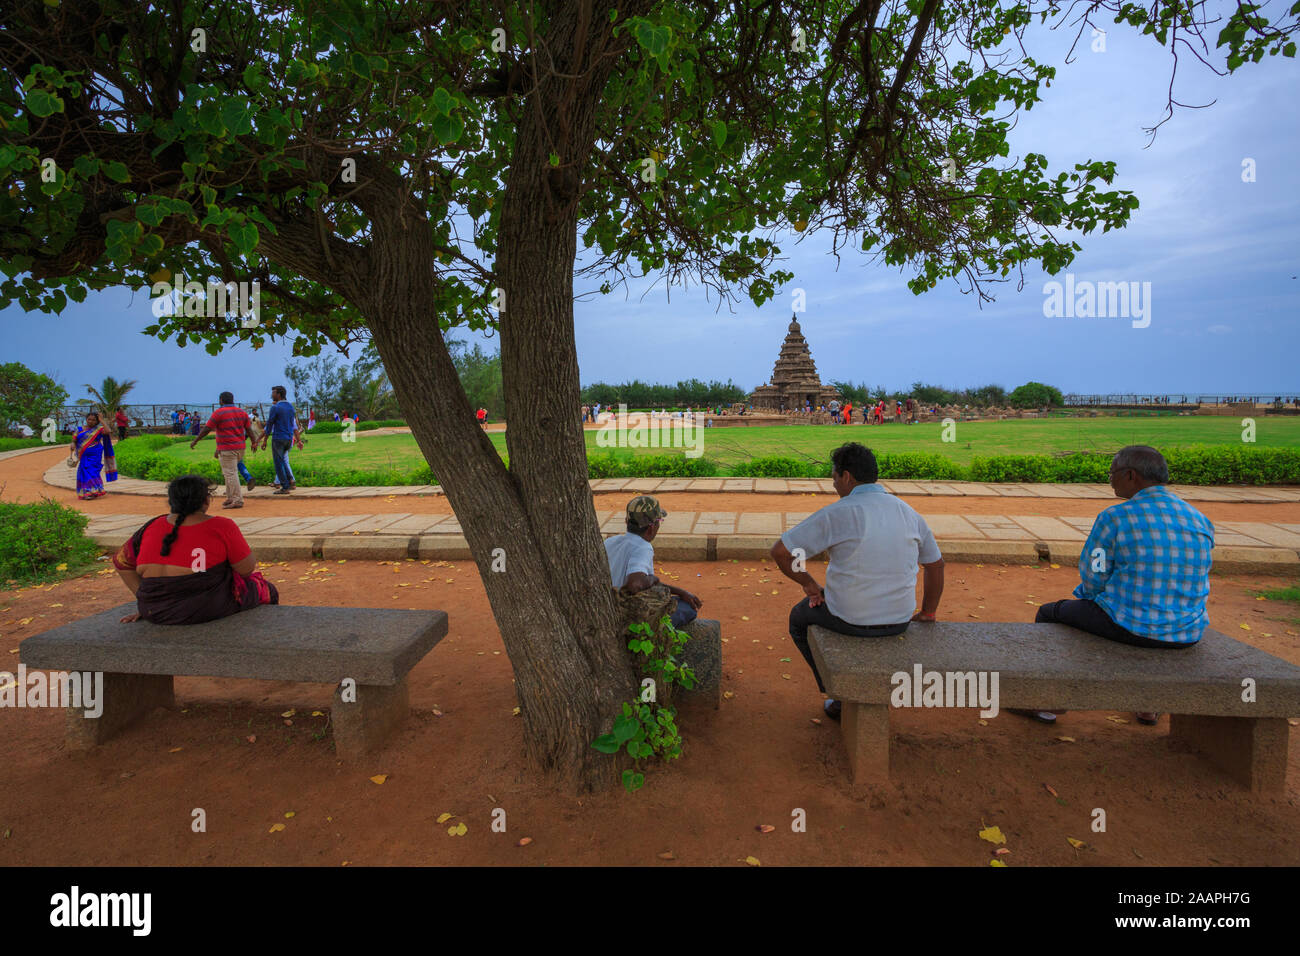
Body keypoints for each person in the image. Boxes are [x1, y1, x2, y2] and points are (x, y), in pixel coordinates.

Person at [1023, 446, 1213, 726]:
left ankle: (1047, 701)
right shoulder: (1198, 518)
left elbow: (1094, 574)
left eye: (1112, 473)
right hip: (1187, 630)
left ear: (1130, 476)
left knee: (1051, 613)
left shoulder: (1115, 517)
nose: (1110, 480)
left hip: (1130, 624)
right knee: (1139, 624)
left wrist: (1092, 602)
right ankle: (1149, 705)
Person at [770, 442, 945, 720]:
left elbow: (781, 552)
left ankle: (837, 693)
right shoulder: (907, 512)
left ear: (847, 477)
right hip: (899, 618)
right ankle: (841, 691)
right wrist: (928, 612)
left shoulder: (839, 512)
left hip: (849, 617)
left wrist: (809, 584)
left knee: (799, 618)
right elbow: (935, 565)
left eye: (834, 477)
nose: (833, 483)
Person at [112, 474, 279, 625]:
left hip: (153, 610)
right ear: (206, 500)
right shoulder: (221, 526)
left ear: (172, 501)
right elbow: (246, 570)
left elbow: (121, 562)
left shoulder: (151, 526)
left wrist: (146, 600)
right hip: (201, 608)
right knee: (265, 589)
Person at [605, 495, 703, 629]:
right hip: (624, 614)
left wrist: (679, 592)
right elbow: (635, 584)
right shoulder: (643, 548)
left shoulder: (610, 542)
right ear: (652, 527)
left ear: (626, 522)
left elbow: (642, 581)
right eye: (659, 521)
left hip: (605, 607)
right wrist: (652, 579)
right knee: (687, 609)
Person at [191, 391, 252, 508]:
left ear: (221, 400)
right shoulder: (242, 412)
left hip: (228, 448)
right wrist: (254, 442)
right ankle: (230, 497)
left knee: (230, 473)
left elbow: (207, 429)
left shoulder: (218, 413)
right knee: (228, 472)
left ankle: (237, 499)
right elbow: (248, 429)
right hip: (240, 447)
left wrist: (196, 440)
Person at [70, 411, 117, 500]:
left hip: (95, 455)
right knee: (84, 472)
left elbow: (108, 431)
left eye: (93, 420)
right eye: (89, 419)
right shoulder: (79, 429)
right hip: (83, 455)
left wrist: (102, 420)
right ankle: (86, 491)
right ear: (86, 419)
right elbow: (74, 440)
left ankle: (92, 491)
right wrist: (72, 444)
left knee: (92, 471)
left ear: (97, 421)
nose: (91, 421)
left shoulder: (99, 430)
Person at [261, 386, 298, 496]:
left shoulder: (275, 407)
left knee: (278, 463)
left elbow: (269, 425)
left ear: (279, 394)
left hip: (278, 438)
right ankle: (291, 480)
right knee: (282, 461)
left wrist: (265, 440)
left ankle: (285, 486)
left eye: (273, 393)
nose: (272, 395)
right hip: (288, 438)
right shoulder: (291, 407)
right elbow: (292, 424)